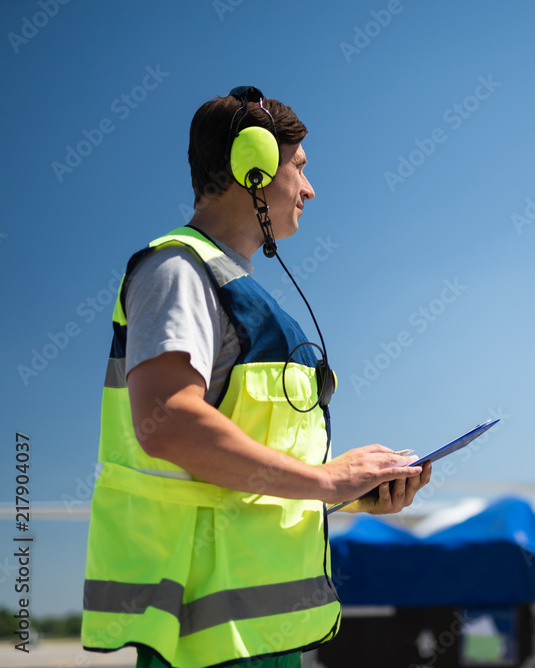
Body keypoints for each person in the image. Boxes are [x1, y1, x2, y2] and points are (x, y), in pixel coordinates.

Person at [81, 87, 431, 668]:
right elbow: (166, 424)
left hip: (258, 639)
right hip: (204, 647)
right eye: (299, 167)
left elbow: (236, 480)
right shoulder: (177, 270)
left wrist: (344, 488)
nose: (309, 188)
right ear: (255, 165)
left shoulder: (232, 289)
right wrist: (325, 481)